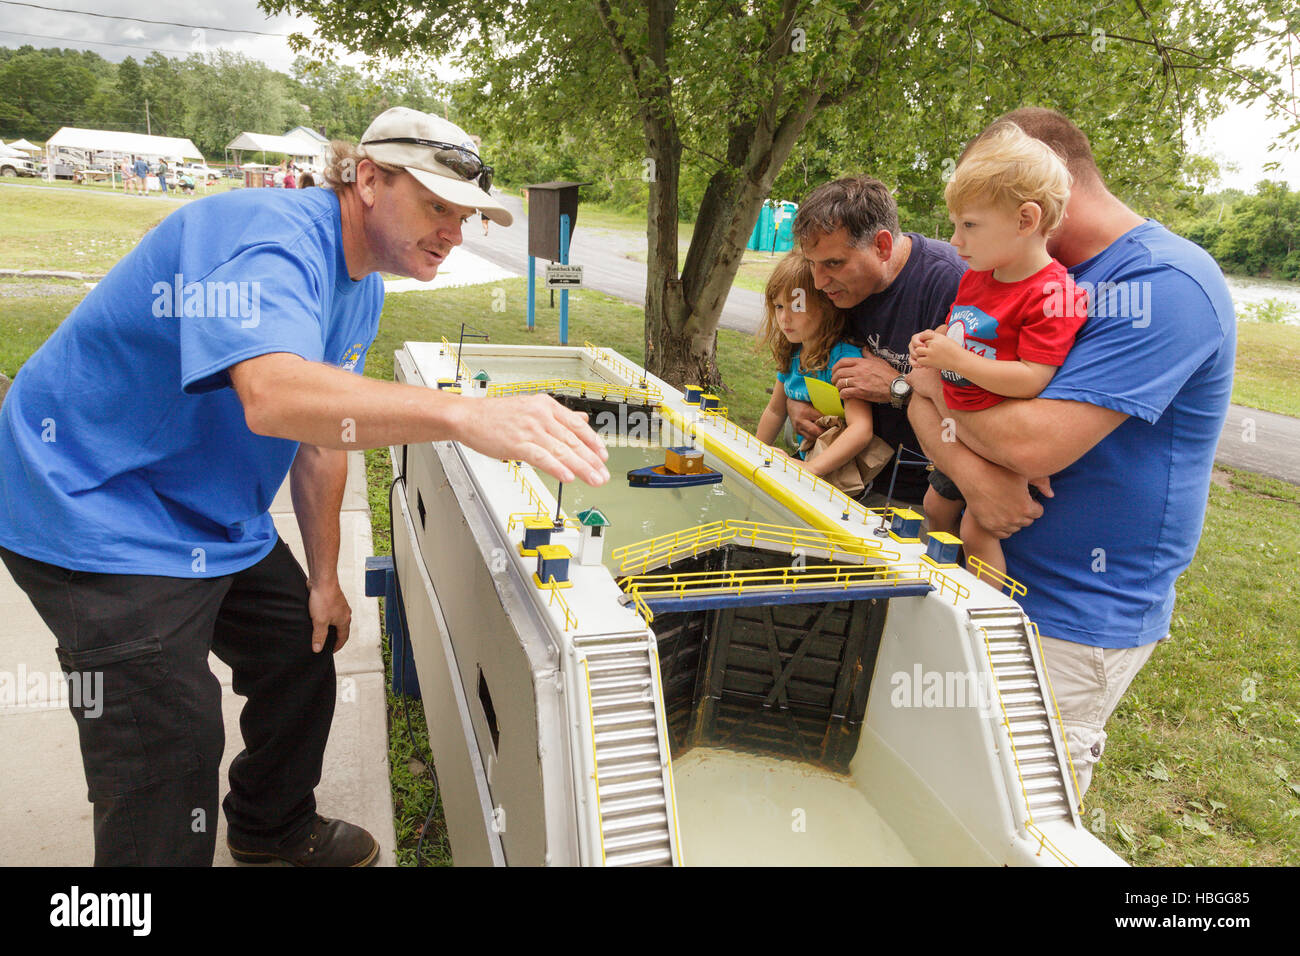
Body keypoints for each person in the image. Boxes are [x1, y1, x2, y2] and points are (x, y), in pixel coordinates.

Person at [0, 106, 609, 866]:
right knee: (168, 744)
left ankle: (271, 831)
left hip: (206, 518)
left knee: (304, 644)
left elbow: (324, 435)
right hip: (92, 501)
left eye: (465, 215)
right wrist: (462, 415)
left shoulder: (363, 287)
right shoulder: (269, 236)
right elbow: (276, 395)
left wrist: (323, 577)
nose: (454, 231)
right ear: (366, 179)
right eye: (435, 207)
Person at [906, 107, 1235, 796]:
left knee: (1021, 802)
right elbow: (922, 400)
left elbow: (1030, 444)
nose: (959, 238)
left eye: (975, 216)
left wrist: (937, 385)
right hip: (981, 566)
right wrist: (968, 464)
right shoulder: (1007, 276)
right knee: (946, 783)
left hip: (1070, 613)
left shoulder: (1164, 285)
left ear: (1033, 200)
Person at [908, 122, 1088, 584]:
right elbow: (961, 324)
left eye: (969, 225)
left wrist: (955, 362)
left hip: (994, 435)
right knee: (933, 506)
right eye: (955, 225)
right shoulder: (978, 273)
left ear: (1026, 221)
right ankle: (936, 581)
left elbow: (1033, 376)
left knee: (977, 528)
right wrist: (935, 341)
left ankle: (988, 612)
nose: (956, 240)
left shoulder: (1055, 293)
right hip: (958, 421)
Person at [792, 176, 966, 506]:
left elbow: (977, 410)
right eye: (812, 265)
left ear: (882, 246)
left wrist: (897, 387)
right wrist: (795, 403)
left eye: (833, 263)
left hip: (922, 495)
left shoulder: (950, 283)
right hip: (845, 476)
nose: (817, 282)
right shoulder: (838, 289)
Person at [755, 251, 875, 492]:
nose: (784, 317)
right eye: (779, 306)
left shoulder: (843, 358)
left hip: (840, 482)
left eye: (796, 306)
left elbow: (862, 429)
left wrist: (810, 471)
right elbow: (775, 410)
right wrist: (753, 453)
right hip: (807, 469)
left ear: (826, 306)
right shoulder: (793, 352)